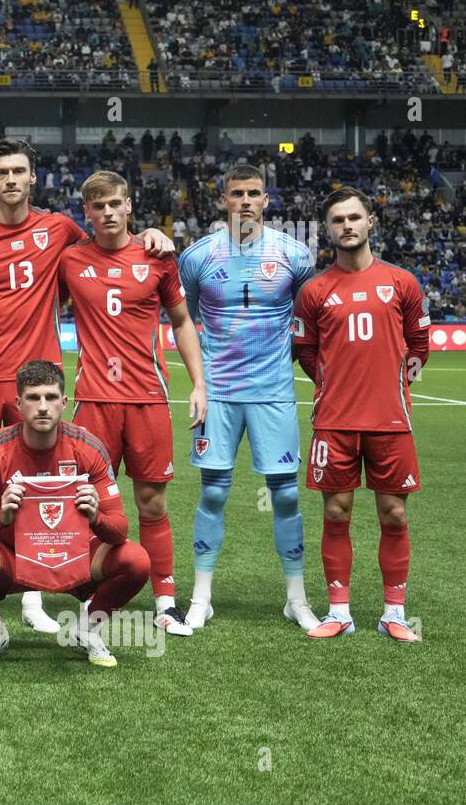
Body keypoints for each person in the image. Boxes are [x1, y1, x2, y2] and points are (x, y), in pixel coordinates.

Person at [0, 137, 173, 634]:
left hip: (36, 380)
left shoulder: (59, 229)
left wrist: (153, 234)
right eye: (2, 172)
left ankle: (34, 592)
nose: (11, 179)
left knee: (40, 482)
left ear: (33, 177)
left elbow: (110, 244)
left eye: (19, 170)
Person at [58, 171, 207, 635]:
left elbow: (182, 321)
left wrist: (198, 384)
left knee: (152, 502)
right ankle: (89, 597)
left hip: (147, 398)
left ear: (128, 206)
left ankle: (165, 602)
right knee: (87, 503)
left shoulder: (157, 256)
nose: (107, 212)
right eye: (98, 206)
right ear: (87, 212)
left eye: (115, 204)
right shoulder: (69, 260)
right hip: (93, 401)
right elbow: (35, 303)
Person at [177, 165, 320, 631]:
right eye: (236, 193)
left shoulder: (295, 255)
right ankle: (201, 598)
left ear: (265, 199)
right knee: (214, 490)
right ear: (223, 199)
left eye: (253, 193)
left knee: (284, 495)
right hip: (217, 394)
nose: (244, 201)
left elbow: (306, 319)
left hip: (273, 393)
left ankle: (296, 598)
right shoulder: (197, 257)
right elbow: (190, 319)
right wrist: (200, 383)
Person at [0, 360, 152, 669]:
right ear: (18, 404)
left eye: (51, 397)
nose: (43, 407)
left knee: (136, 560)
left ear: (64, 402)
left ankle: (87, 629)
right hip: (13, 557)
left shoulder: (88, 447)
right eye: (33, 398)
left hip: (74, 555)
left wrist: (95, 516)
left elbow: (119, 528)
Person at [292, 187, 429, 642]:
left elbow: (420, 346)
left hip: (391, 420)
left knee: (393, 515)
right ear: (328, 229)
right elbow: (306, 352)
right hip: (334, 421)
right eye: (337, 220)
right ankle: (339, 612)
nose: (347, 226)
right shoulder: (314, 290)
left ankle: (394, 612)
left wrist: (392, 388)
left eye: (354, 217)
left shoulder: (403, 282)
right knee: (336, 511)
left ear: (371, 222)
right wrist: (336, 387)